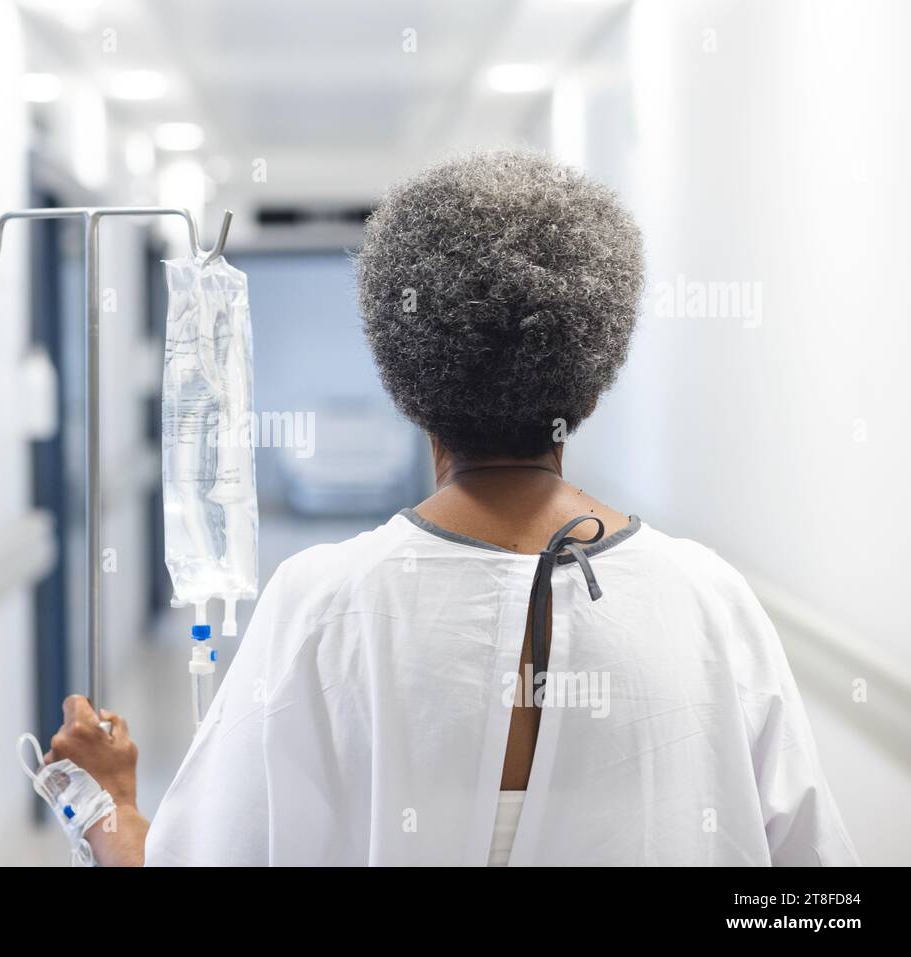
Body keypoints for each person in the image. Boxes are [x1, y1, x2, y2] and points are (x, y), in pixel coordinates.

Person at [44, 149, 858, 866]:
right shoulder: (710, 603)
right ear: (593, 376)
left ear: (406, 378)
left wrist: (108, 804)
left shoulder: (324, 604)